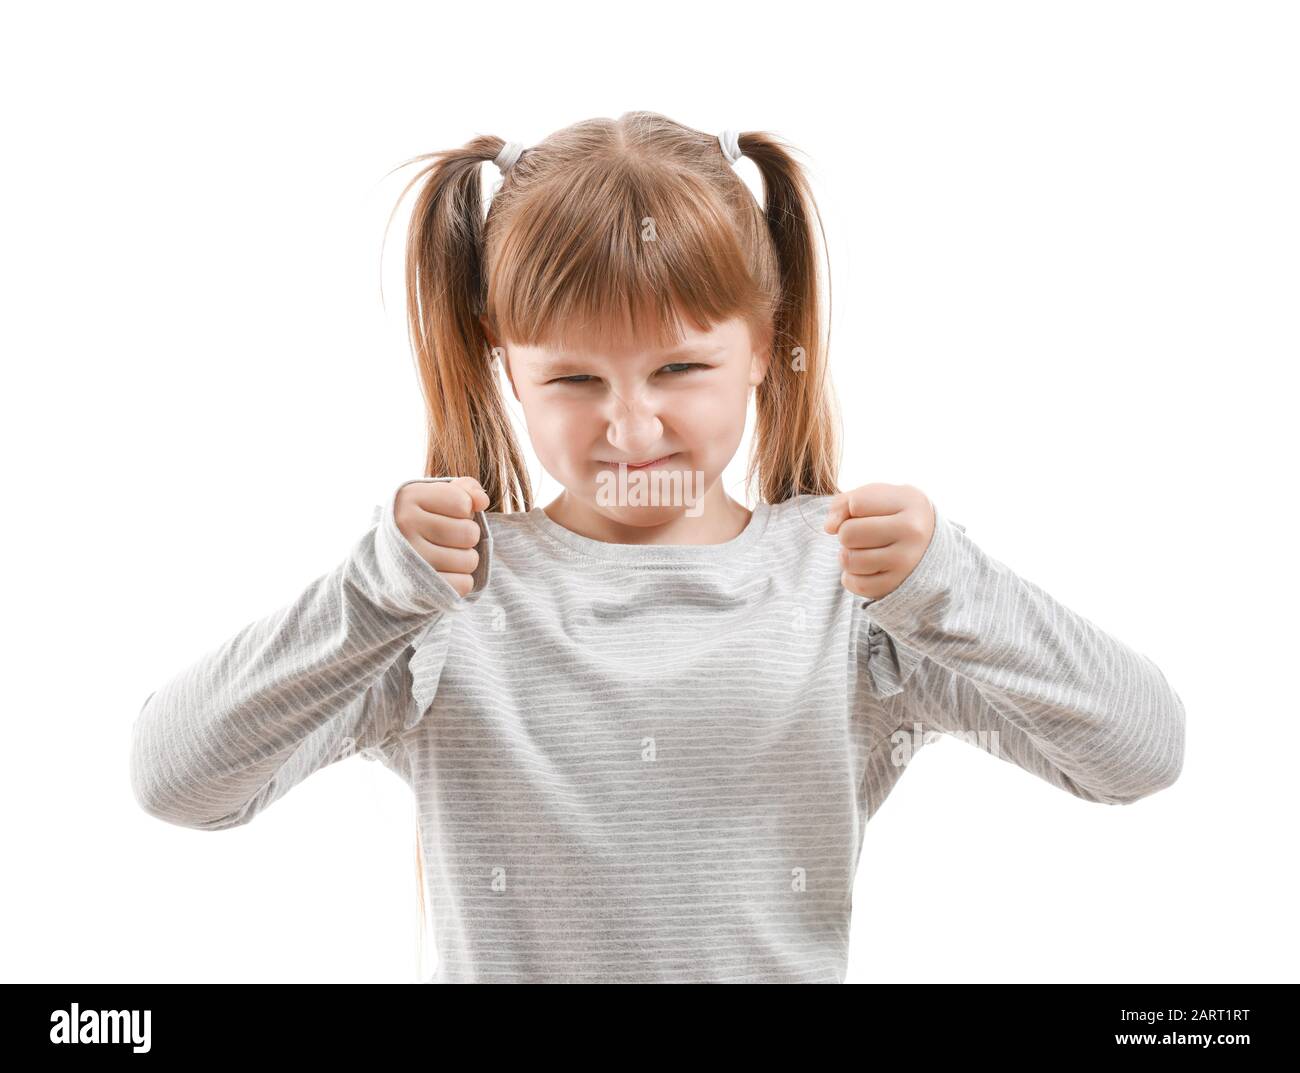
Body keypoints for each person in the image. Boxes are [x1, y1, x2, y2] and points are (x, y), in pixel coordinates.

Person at [129, 111, 1185, 983]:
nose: (631, 430)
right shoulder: (445, 604)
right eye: (574, 380)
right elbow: (180, 780)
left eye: (680, 369)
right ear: (506, 364)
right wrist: (370, 598)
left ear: (765, 344)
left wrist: (951, 587)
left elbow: (1138, 753)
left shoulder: (849, 595)